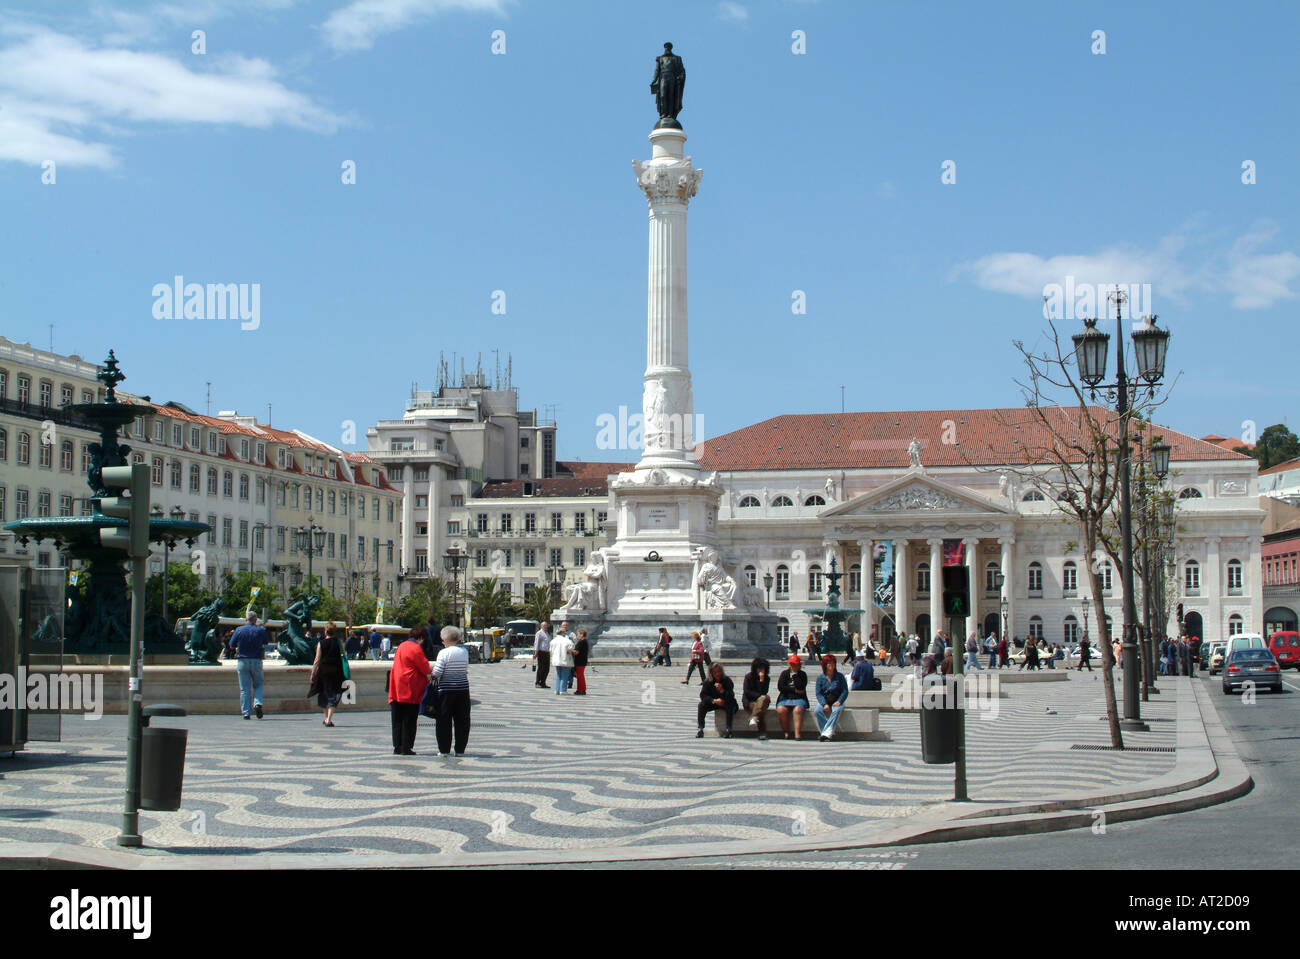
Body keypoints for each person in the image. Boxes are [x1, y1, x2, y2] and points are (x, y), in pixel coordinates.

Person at [428, 625, 472, 756]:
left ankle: (444, 749)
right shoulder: (464, 651)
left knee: (443, 720)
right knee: (462, 721)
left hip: (446, 691)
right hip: (463, 690)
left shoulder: (443, 653)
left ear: (446, 639)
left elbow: (437, 672)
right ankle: (460, 749)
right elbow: (465, 669)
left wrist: (432, 677)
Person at [388, 629, 433, 755]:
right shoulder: (416, 648)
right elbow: (425, 668)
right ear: (421, 638)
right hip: (410, 687)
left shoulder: (401, 646)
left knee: (397, 718)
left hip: (396, 686)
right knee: (409, 718)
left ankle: (397, 746)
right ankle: (406, 746)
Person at [230, 612, 269, 720]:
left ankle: (246, 713)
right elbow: (266, 642)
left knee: (244, 688)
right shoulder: (260, 630)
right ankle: (257, 703)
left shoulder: (239, 630)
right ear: (256, 620)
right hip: (256, 660)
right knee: (259, 684)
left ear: (246, 620)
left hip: (242, 661)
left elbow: (231, 644)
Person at [309, 625, 346, 726]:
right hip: (336, 671)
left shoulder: (321, 643)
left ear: (325, 631)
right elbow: (344, 656)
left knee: (324, 694)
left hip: (323, 672)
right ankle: (328, 719)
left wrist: (313, 673)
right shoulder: (338, 643)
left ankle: (327, 718)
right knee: (334, 695)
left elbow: (317, 660)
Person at [697, 662, 739, 738]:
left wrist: (722, 691)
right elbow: (703, 695)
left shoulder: (727, 680)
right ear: (711, 673)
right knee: (701, 705)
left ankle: (728, 729)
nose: (717, 674)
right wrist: (713, 700)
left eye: (719, 671)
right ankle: (700, 729)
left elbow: (731, 695)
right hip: (714, 702)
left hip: (726, 702)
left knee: (730, 706)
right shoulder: (707, 682)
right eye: (715, 672)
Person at [815, 654, 851, 741]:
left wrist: (839, 701)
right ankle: (827, 732)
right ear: (825, 665)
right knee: (817, 711)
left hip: (837, 700)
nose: (831, 665)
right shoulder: (820, 678)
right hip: (825, 700)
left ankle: (825, 733)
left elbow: (845, 691)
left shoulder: (840, 677)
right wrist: (824, 704)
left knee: (837, 710)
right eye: (829, 663)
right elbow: (818, 693)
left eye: (833, 663)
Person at [775, 655, 810, 741]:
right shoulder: (784, 673)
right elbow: (781, 687)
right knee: (781, 710)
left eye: (795, 664)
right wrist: (794, 690)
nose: (793, 666)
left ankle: (797, 734)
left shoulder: (802, 674)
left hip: (799, 698)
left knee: (797, 710)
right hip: (785, 698)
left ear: (799, 665)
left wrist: (794, 675)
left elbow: (801, 687)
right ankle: (786, 732)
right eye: (791, 664)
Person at [742, 658, 771, 740]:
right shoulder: (748, 677)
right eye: (759, 668)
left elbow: (764, 691)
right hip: (750, 702)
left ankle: (754, 717)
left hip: (761, 702)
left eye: (763, 668)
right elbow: (747, 692)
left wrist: (762, 680)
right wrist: (759, 697)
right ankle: (762, 733)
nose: (761, 670)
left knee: (763, 701)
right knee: (761, 707)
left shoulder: (766, 678)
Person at [551, 622, 576, 694]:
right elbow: (572, 647)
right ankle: (563, 689)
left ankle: (557, 689)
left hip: (556, 660)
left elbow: (550, 650)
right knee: (565, 675)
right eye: (564, 633)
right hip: (565, 660)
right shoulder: (567, 641)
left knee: (558, 675)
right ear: (562, 633)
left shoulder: (553, 641)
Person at [533, 620, 552, 688]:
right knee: (541, 668)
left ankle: (543, 682)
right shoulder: (539, 633)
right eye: (544, 625)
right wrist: (536, 653)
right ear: (541, 626)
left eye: (546, 625)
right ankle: (537, 682)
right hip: (541, 652)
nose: (545, 626)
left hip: (547, 653)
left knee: (547, 668)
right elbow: (537, 643)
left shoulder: (547, 633)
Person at [572, 627, 590, 695]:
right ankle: (581, 689)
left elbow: (576, 652)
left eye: (578, 634)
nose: (577, 636)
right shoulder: (585, 641)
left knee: (580, 676)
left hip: (580, 661)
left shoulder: (581, 642)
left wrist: (570, 651)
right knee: (580, 676)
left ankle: (581, 689)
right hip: (582, 661)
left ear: (582, 634)